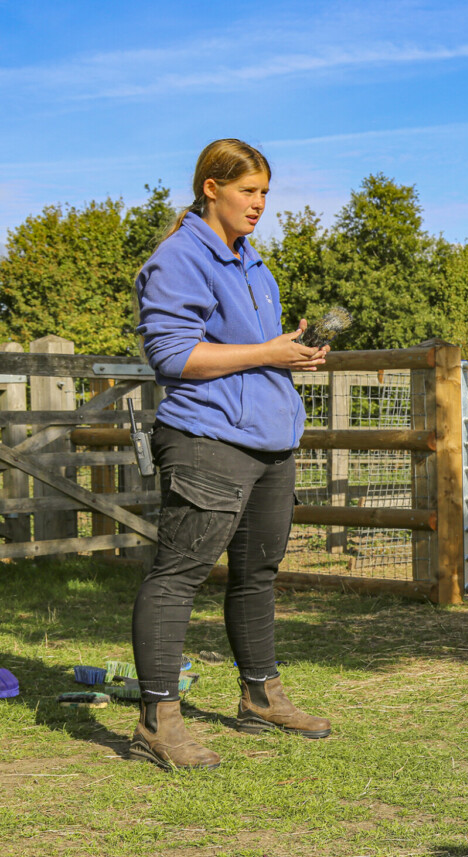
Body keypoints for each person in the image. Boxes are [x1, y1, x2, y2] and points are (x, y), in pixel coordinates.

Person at [130, 139, 332, 771]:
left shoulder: (253, 263)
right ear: (210, 187)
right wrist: (269, 353)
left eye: (266, 193)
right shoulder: (180, 257)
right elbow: (172, 356)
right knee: (178, 576)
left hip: (269, 442)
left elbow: (251, 350)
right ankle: (158, 719)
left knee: (259, 574)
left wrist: (290, 350)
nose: (260, 204)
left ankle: (261, 696)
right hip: (206, 440)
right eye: (249, 191)